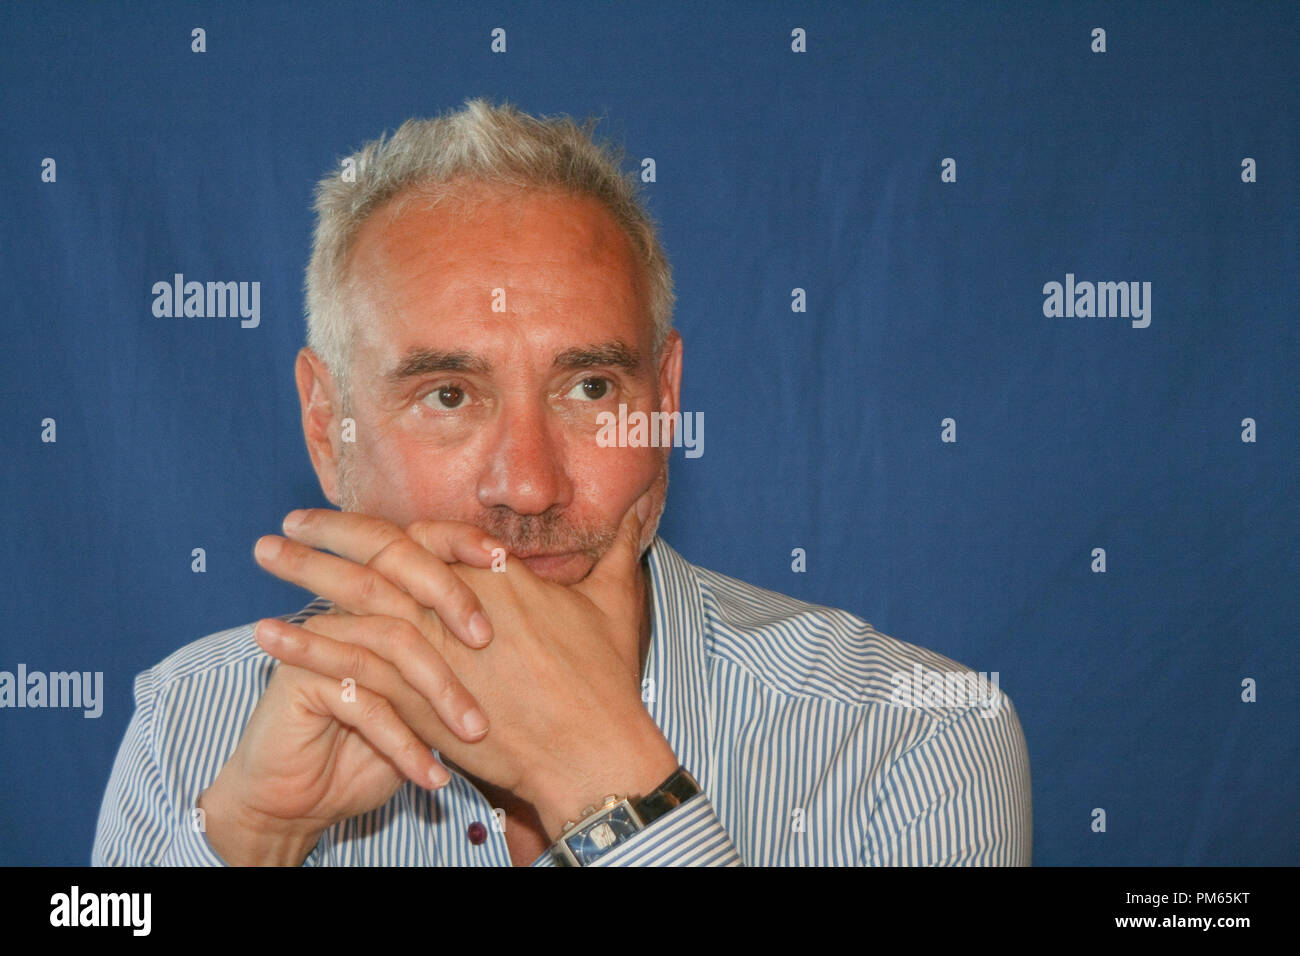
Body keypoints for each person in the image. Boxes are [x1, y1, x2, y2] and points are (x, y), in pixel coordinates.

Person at [92, 98, 1032, 867]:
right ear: (324, 428)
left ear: (665, 401)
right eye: (449, 395)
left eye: (589, 388)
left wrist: (604, 776)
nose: (529, 486)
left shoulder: (912, 740)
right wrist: (254, 842)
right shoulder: (193, 727)